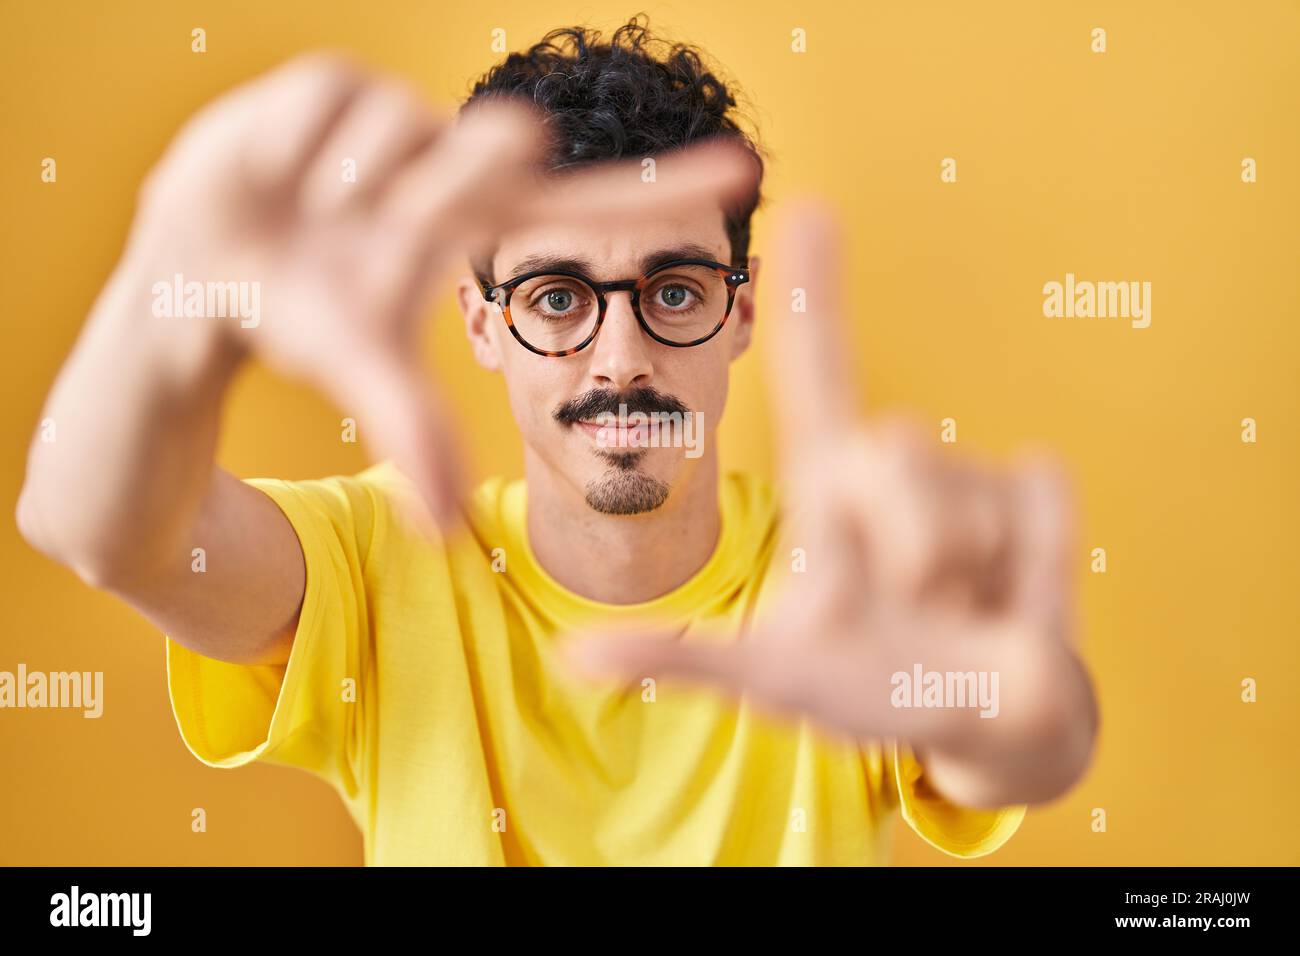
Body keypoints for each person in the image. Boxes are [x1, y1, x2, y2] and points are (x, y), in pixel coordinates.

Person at [17, 18, 1098, 865]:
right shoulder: (379, 560)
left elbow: (1024, 734)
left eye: (673, 289)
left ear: (744, 310)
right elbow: (93, 526)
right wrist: (171, 288)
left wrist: (1009, 703)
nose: (620, 356)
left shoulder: (847, 584)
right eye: (556, 294)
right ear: (482, 319)